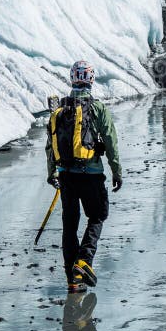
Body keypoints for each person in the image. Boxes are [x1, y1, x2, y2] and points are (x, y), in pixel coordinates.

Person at [45, 60, 122, 293]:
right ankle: (84, 261)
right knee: (97, 216)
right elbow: (110, 139)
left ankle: (73, 280)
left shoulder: (60, 111)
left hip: (66, 176)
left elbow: (51, 144)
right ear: (91, 80)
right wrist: (116, 170)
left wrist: (52, 173)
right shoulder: (97, 108)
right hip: (91, 174)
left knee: (70, 226)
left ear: (72, 79)